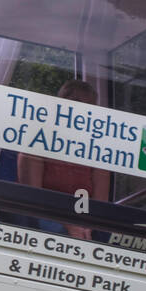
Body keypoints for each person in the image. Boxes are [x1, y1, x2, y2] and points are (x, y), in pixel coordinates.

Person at [17, 78, 100, 240]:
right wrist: (68, 225)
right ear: (61, 104)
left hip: (81, 220)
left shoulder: (97, 149)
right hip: (43, 215)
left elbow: (99, 207)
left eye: (88, 105)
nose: (81, 109)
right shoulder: (39, 140)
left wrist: (87, 227)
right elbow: (33, 198)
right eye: (75, 102)